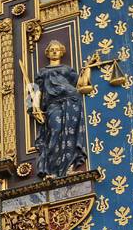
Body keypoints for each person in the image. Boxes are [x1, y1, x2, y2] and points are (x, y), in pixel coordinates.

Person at [31, 41, 99, 178]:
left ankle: (68, 168)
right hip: (53, 104)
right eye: (52, 49)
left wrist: (88, 67)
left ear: (61, 52)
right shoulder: (42, 72)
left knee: (70, 134)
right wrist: (34, 107)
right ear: (48, 53)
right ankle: (52, 170)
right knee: (54, 132)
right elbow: (35, 90)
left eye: (57, 49)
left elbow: (81, 84)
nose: (54, 51)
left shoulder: (67, 69)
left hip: (72, 101)